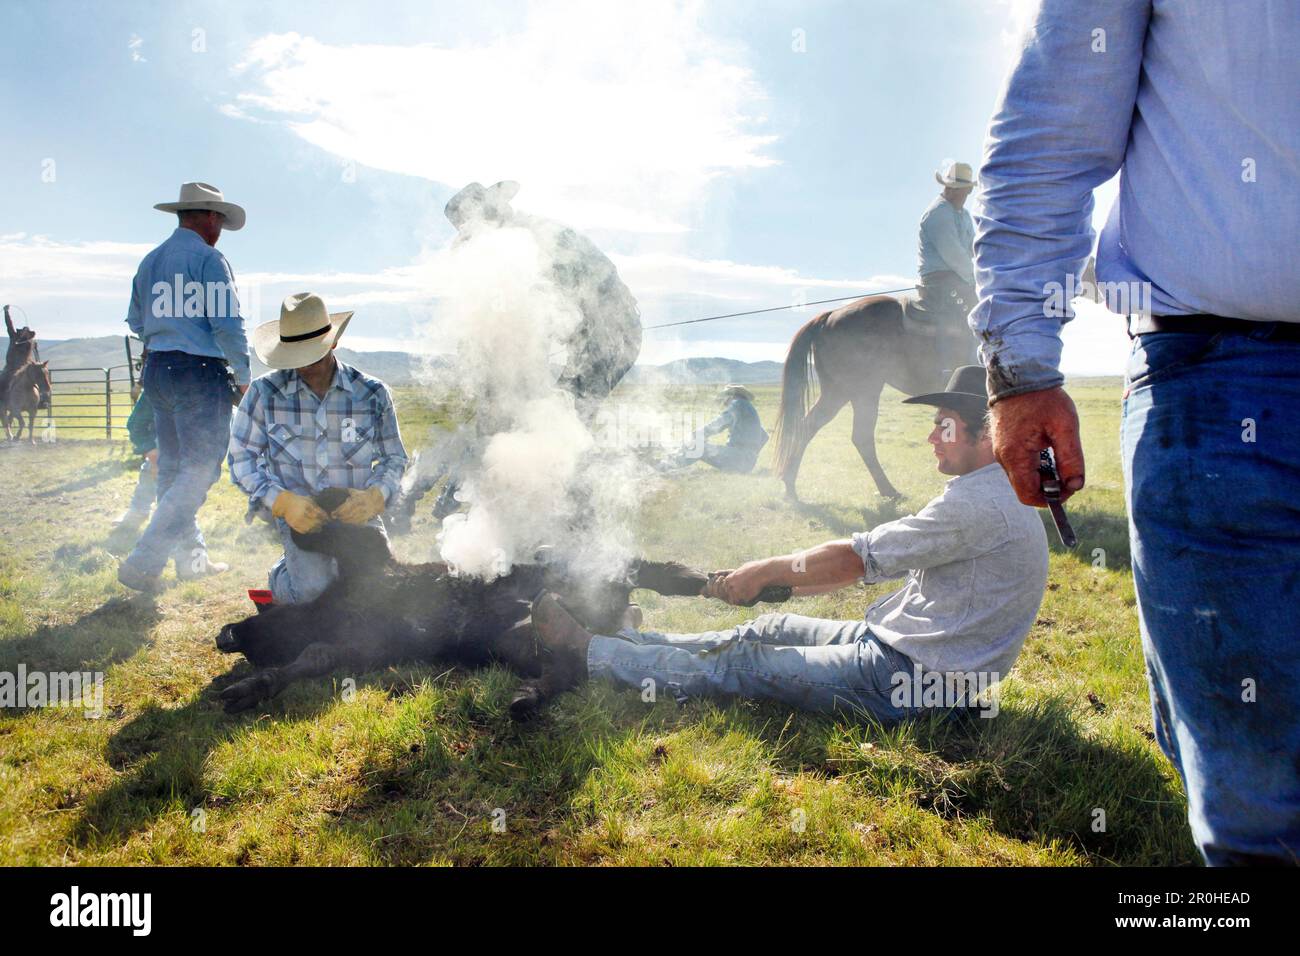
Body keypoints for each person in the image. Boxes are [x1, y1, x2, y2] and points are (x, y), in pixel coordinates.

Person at [971, 0, 1300, 865]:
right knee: (1259, 808)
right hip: (1231, 380)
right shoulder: (942, 220)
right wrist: (1020, 363)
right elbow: (1051, 138)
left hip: (1228, 382)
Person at [531, 367, 1048, 720]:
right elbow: (868, 564)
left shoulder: (982, 502)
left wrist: (766, 571)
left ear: (991, 434)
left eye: (945, 426)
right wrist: (774, 583)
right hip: (900, 650)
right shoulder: (992, 490)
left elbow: (857, 559)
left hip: (916, 683)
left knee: (746, 666)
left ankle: (589, 651)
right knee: (770, 627)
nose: (932, 437)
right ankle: (634, 646)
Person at [228, 293, 409, 605]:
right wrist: (281, 502)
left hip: (355, 507)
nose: (304, 365)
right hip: (298, 510)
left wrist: (377, 494)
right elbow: (241, 459)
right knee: (314, 591)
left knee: (378, 590)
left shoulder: (372, 393)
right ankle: (282, 578)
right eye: (295, 355)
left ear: (332, 343)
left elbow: (394, 458)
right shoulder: (263, 393)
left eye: (311, 354)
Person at [118, 182, 251, 591]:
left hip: (157, 369)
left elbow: (135, 321)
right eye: (221, 222)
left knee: (174, 469)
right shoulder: (209, 259)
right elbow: (227, 323)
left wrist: (165, 336)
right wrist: (244, 375)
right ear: (211, 218)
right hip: (198, 373)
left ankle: (192, 559)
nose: (221, 230)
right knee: (201, 468)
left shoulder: (151, 261)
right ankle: (144, 560)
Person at [914, 161, 978, 327]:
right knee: (976, 320)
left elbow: (975, 248)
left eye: (955, 187)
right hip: (940, 282)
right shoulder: (938, 213)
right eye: (948, 186)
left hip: (956, 280)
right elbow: (954, 256)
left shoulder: (964, 216)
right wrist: (977, 279)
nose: (950, 190)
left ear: (968, 190)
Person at [659, 384, 769, 474]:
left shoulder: (737, 404)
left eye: (724, 398)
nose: (723, 402)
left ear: (730, 396)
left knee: (697, 447)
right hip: (748, 463)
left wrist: (696, 435)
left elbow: (718, 424)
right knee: (700, 446)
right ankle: (670, 460)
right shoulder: (748, 408)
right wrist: (751, 454)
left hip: (737, 458)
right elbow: (764, 436)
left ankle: (664, 466)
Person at [113, 385, 159, 531]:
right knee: (149, 471)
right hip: (164, 443)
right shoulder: (157, 384)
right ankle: (139, 510)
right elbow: (136, 423)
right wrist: (151, 451)